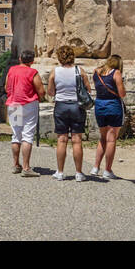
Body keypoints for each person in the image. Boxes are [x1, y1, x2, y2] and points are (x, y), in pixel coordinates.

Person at [47, 45, 91, 181]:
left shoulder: (55, 71)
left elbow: (51, 92)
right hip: (76, 106)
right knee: (77, 141)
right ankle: (78, 173)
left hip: (61, 106)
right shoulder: (80, 70)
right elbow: (88, 89)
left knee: (62, 139)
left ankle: (60, 172)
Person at [5, 50, 45, 176]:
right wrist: (39, 98)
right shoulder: (33, 72)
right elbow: (41, 91)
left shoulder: (11, 70)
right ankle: (26, 167)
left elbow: (6, 87)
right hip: (28, 104)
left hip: (14, 104)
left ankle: (16, 165)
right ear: (32, 61)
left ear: (20, 59)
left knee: (16, 135)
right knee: (27, 135)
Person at [91, 55, 126, 179]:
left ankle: (95, 167)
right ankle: (107, 170)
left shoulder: (96, 72)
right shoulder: (116, 73)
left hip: (99, 105)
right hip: (113, 106)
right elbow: (122, 93)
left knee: (102, 138)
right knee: (111, 139)